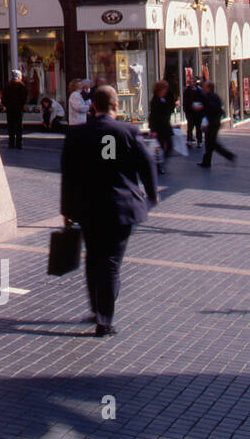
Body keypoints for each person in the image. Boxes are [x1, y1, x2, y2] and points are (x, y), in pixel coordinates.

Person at [60, 85, 158, 338]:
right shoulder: (128, 131)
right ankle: (105, 320)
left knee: (93, 259)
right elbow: (148, 164)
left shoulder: (77, 135)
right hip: (121, 208)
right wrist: (152, 195)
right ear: (116, 106)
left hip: (89, 207)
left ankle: (97, 309)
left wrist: (67, 208)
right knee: (111, 263)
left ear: (93, 106)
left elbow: (68, 174)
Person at [199, 79, 236, 167]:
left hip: (213, 123)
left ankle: (229, 155)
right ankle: (206, 162)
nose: (203, 88)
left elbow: (213, 109)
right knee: (209, 143)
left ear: (208, 88)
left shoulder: (212, 97)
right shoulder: (210, 96)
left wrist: (202, 107)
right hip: (212, 122)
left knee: (212, 143)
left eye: (204, 87)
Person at [147, 80, 175, 177]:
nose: (165, 91)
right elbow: (153, 116)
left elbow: (171, 102)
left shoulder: (165, 98)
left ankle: (161, 162)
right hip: (159, 128)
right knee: (159, 147)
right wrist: (153, 130)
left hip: (166, 126)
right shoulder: (155, 101)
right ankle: (158, 165)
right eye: (164, 89)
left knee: (170, 145)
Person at [2, 69, 28, 149]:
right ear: (18, 76)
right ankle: (19, 143)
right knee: (19, 126)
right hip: (19, 109)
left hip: (10, 109)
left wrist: (7, 105)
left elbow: (3, 99)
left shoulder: (7, 85)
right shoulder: (21, 85)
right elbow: (24, 98)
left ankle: (11, 143)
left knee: (11, 126)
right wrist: (22, 105)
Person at [181, 78, 206, 149]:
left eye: (192, 82)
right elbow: (185, 102)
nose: (191, 84)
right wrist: (189, 107)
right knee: (190, 126)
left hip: (198, 113)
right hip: (190, 112)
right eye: (190, 82)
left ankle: (199, 141)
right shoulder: (187, 91)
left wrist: (200, 107)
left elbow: (203, 100)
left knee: (198, 127)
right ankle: (189, 141)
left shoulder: (200, 91)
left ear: (195, 83)